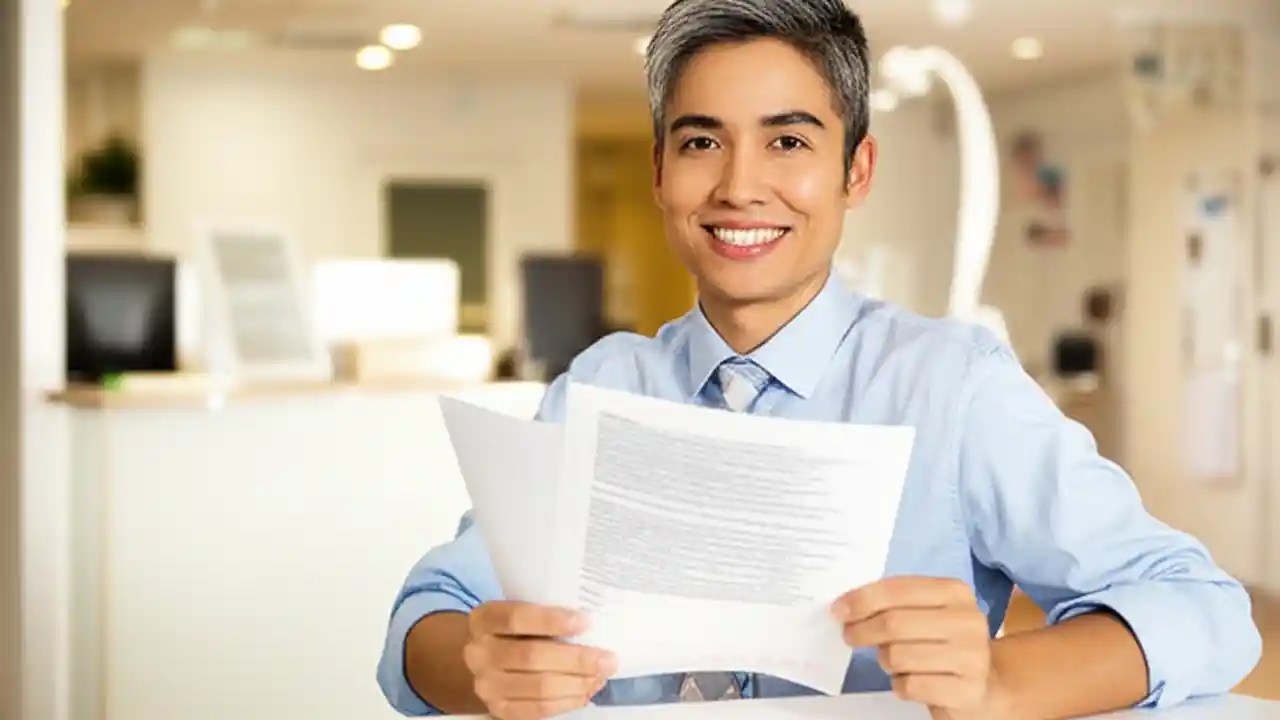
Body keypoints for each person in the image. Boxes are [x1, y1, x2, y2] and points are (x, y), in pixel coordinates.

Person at [377, 1, 1261, 718]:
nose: (739, 186)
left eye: (788, 141)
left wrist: (1003, 680)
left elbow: (1203, 606)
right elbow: (426, 616)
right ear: (660, 173)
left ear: (856, 171)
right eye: (701, 142)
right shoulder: (602, 386)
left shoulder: (951, 387)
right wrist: (480, 667)